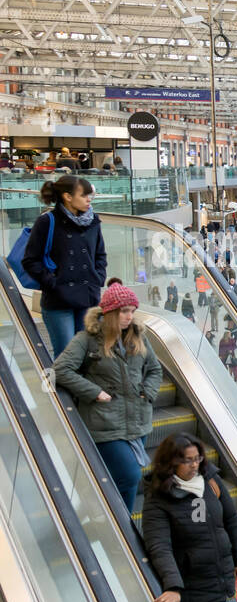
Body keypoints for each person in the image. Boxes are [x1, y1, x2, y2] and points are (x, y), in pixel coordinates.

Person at [142, 432, 237, 602]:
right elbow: (159, 545)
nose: (194, 465)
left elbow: (231, 520)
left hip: (219, 584)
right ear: (171, 463)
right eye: (186, 460)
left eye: (197, 458)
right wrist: (172, 586)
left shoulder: (209, 481)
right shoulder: (159, 498)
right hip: (190, 591)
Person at [53, 284, 160, 510]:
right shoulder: (87, 339)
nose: (129, 316)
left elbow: (154, 370)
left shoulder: (139, 337)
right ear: (109, 313)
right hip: (105, 423)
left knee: (120, 477)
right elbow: (61, 370)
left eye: (132, 310)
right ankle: (124, 527)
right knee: (130, 476)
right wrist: (94, 392)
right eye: (123, 311)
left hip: (138, 420)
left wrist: (147, 393)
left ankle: (106, 516)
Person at [23, 175, 107, 359]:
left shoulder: (93, 221)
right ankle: (61, 389)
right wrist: (53, 283)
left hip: (87, 296)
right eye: (84, 195)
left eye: (89, 195)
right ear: (68, 197)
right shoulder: (47, 221)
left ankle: (82, 388)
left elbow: (100, 254)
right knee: (66, 356)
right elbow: (30, 260)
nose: (88, 200)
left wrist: (98, 277)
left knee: (87, 354)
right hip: (59, 301)